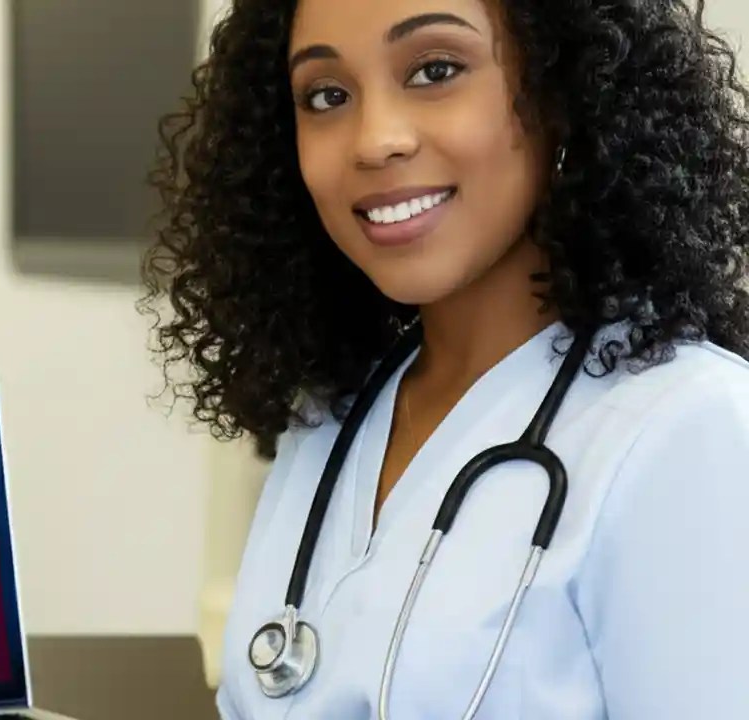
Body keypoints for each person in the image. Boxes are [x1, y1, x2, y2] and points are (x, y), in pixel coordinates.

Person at [139, 0, 749, 717]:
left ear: (565, 89)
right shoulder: (329, 420)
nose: (375, 140)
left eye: (435, 70)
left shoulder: (691, 431)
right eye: (327, 96)